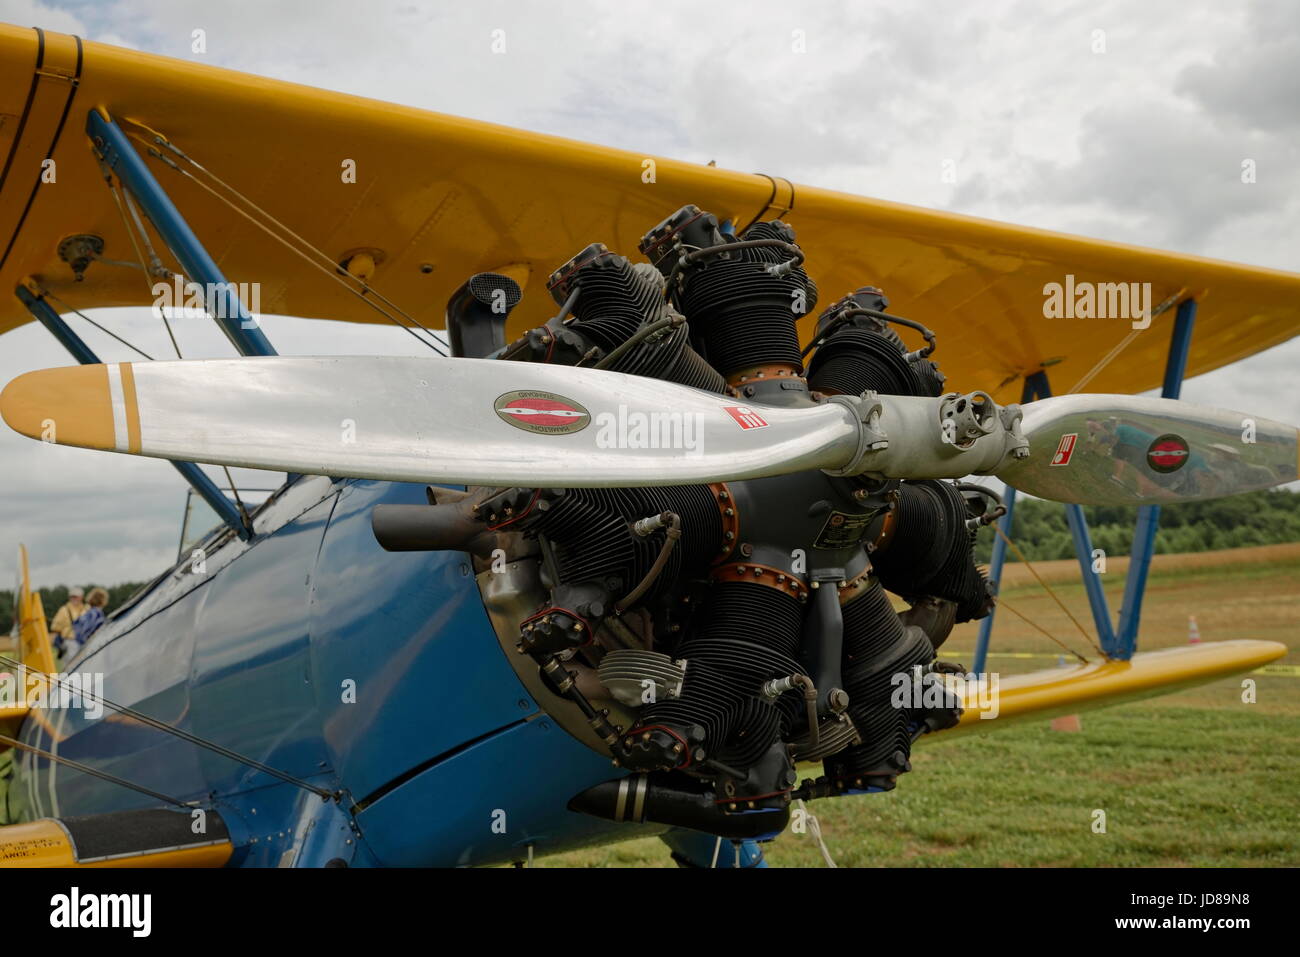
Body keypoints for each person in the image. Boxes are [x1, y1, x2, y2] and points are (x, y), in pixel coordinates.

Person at [67, 587, 109, 658]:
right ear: (102, 600)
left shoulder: (87, 613)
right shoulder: (97, 614)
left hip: (78, 645)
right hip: (89, 647)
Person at [49, 586, 88, 656]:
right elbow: (54, 627)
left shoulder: (87, 609)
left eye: (76, 597)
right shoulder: (64, 610)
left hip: (86, 642)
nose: (74, 599)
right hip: (70, 641)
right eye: (72, 597)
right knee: (72, 665)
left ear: (81, 597)